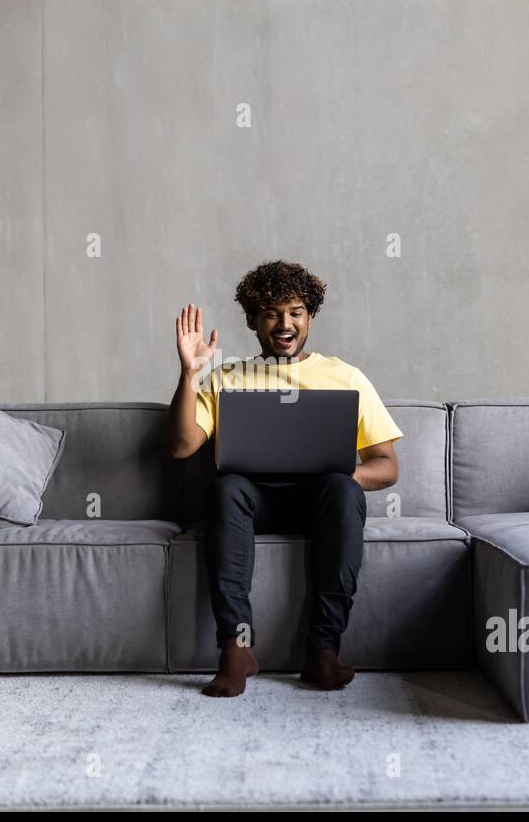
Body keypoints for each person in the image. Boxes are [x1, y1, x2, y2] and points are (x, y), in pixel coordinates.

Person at [164, 260, 402, 697]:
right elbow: (181, 447)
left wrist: (345, 473)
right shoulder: (227, 377)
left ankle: (323, 652)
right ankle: (236, 650)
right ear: (253, 320)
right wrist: (189, 373)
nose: (285, 323)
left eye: (295, 311)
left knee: (343, 488)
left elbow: (386, 465)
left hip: (321, 503)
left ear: (310, 316)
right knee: (226, 486)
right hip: (252, 504)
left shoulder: (345, 377)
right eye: (272, 313)